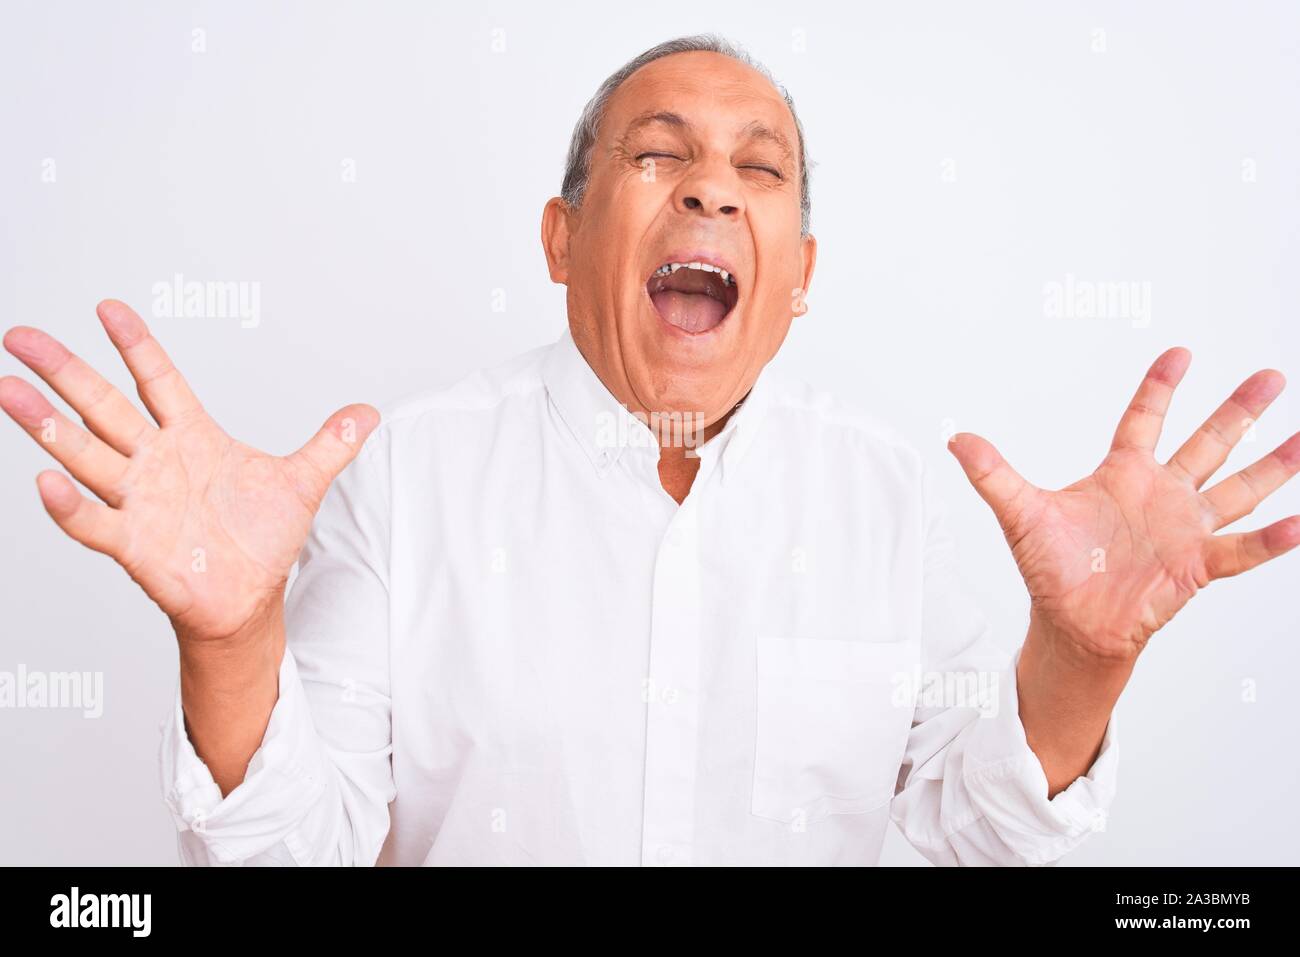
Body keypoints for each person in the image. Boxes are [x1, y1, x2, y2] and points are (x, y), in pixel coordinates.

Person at [2, 35, 1296, 866]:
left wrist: (1075, 663)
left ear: (796, 277)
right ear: (562, 239)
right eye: (659, 154)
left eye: (758, 169)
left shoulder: (893, 501)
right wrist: (231, 642)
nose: (711, 188)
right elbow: (288, 857)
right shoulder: (406, 480)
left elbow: (976, 847)